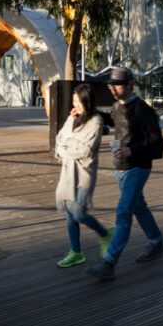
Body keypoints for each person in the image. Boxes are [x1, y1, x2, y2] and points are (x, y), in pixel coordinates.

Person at [88, 67, 163, 281]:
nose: (113, 88)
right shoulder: (117, 105)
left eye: (117, 84)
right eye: (111, 84)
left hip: (138, 167)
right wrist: (87, 111)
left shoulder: (142, 109)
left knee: (124, 211)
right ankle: (156, 240)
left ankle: (109, 262)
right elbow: (112, 119)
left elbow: (155, 139)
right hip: (121, 166)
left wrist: (132, 149)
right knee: (138, 207)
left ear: (130, 85)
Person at [53, 83, 112, 268]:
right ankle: (76, 252)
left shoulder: (96, 121)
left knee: (77, 213)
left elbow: (85, 150)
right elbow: (59, 139)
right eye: (74, 102)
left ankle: (105, 234)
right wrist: (69, 131)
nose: (76, 106)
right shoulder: (73, 119)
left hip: (84, 173)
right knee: (69, 215)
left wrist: (65, 147)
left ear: (88, 101)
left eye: (79, 102)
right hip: (68, 173)